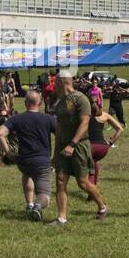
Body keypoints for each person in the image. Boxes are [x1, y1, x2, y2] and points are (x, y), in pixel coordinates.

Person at [52, 69, 107, 224]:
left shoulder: (80, 99)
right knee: (60, 181)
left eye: (55, 82)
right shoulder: (60, 101)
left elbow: (84, 124)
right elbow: (59, 127)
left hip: (79, 146)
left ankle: (102, 206)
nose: (53, 85)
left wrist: (72, 144)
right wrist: (56, 152)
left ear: (62, 82)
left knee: (83, 183)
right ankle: (62, 218)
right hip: (63, 146)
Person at [0, 90, 56, 220]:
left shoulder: (16, 119)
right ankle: (37, 206)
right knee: (45, 195)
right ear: (40, 103)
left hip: (23, 161)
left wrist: (9, 153)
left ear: (25, 103)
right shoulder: (48, 119)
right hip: (42, 161)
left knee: (27, 174)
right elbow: (61, 136)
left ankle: (29, 203)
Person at [87, 102, 124, 186]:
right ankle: (94, 184)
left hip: (89, 146)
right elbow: (120, 129)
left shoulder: (85, 116)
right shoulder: (105, 115)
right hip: (102, 147)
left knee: (88, 168)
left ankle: (92, 187)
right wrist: (110, 142)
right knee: (94, 162)